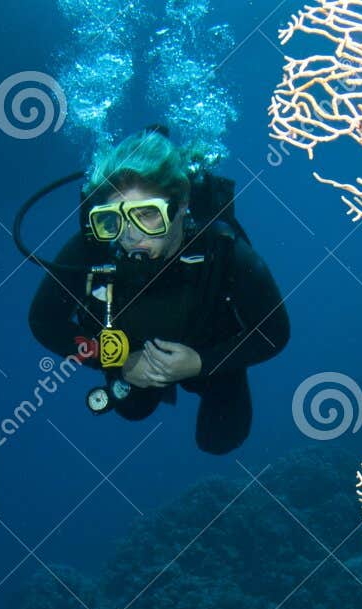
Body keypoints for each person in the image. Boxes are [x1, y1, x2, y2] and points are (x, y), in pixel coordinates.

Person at [26, 128, 290, 454]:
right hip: (131, 358)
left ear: (181, 206)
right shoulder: (93, 247)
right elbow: (43, 322)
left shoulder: (221, 249)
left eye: (147, 215)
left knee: (221, 439)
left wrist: (201, 363)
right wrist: (117, 360)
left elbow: (274, 332)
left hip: (210, 352)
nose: (130, 236)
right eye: (113, 220)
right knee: (132, 410)